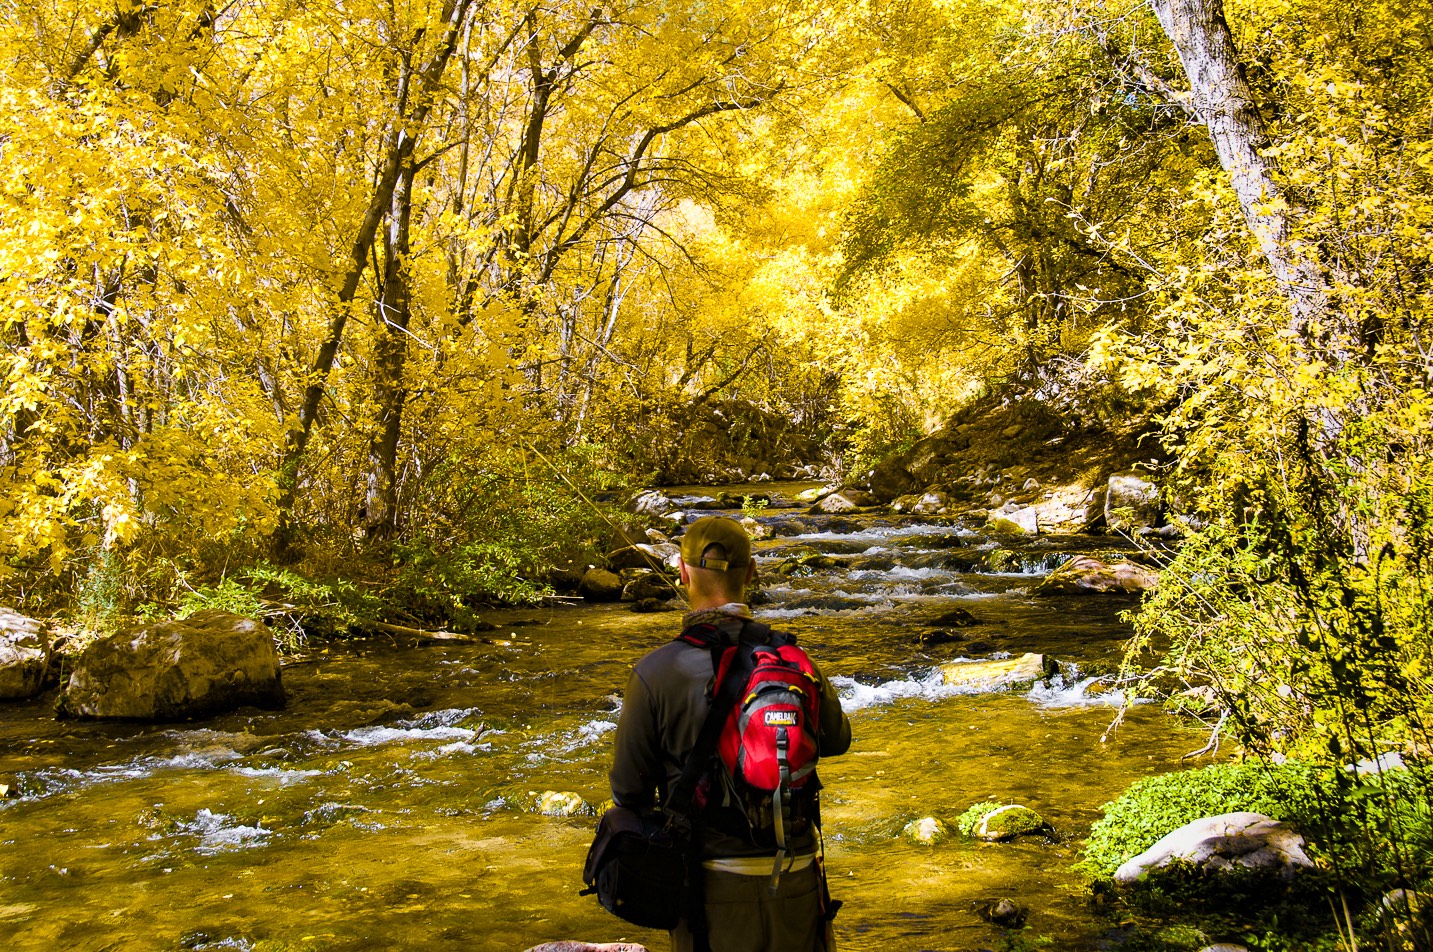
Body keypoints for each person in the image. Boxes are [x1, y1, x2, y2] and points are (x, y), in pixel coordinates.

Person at [608, 515, 853, 952]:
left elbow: (629, 792)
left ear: (682, 573)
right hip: (798, 882)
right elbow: (837, 740)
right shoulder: (793, 659)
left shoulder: (655, 672)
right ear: (752, 572)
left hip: (709, 893)